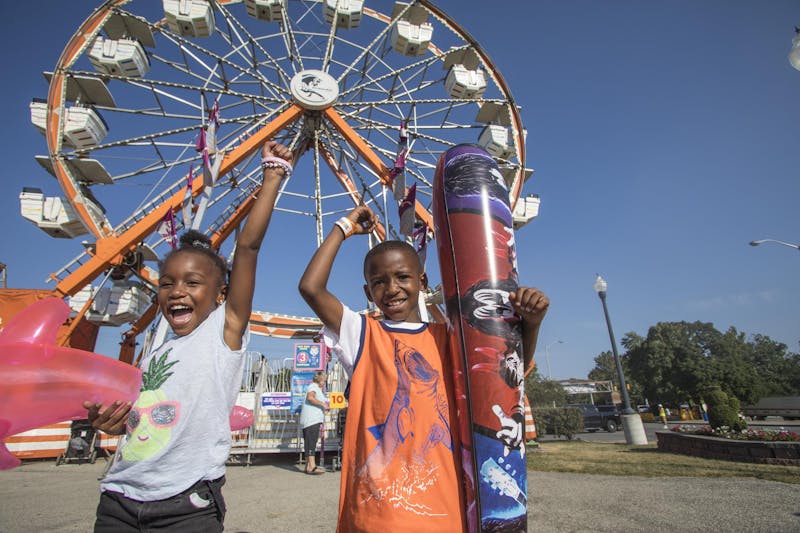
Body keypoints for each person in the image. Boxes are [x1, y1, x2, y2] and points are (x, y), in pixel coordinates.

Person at [82, 141, 293, 532]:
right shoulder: (157, 350)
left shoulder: (223, 332)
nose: (176, 291)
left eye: (193, 283)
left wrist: (273, 174)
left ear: (221, 294)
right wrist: (113, 422)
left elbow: (247, 247)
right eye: (166, 283)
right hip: (119, 498)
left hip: (186, 504)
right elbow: (145, 416)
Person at [298, 204, 549, 533]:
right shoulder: (362, 334)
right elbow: (310, 288)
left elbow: (504, 378)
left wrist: (531, 325)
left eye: (402, 277)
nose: (392, 289)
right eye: (379, 282)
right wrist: (343, 227)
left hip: (446, 510)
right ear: (367, 292)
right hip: (378, 515)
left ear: (422, 280)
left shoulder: (451, 338)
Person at [299, 371, 328, 474]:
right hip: (312, 420)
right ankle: (312, 466)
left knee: (309, 442)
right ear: (320, 380)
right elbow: (310, 397)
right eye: (324, 381)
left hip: (310, 420)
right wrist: (322, 404)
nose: (324, 383)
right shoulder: (313, 387)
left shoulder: (315, 388)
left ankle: (308, 465)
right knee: (312, 442)